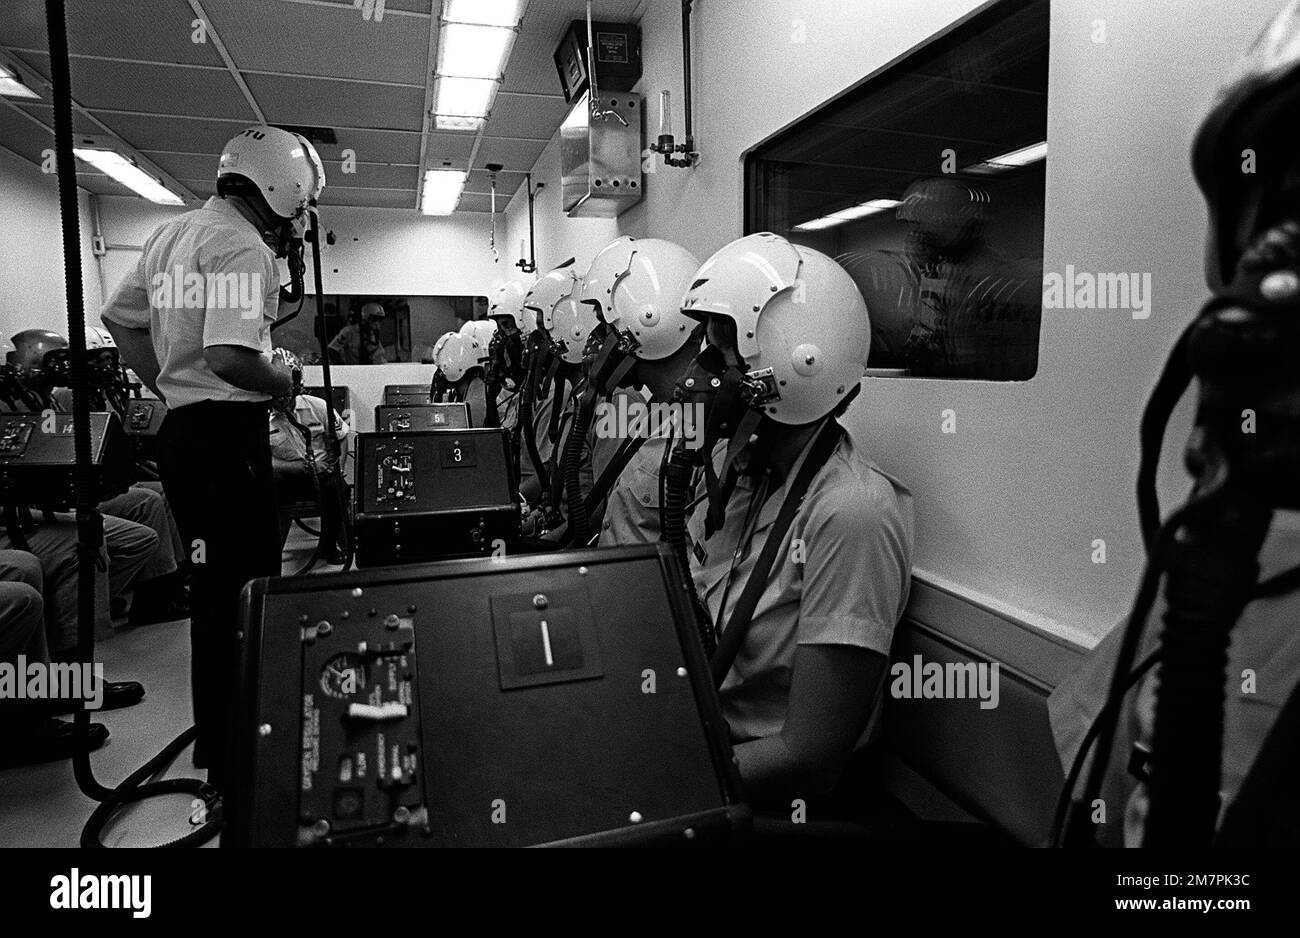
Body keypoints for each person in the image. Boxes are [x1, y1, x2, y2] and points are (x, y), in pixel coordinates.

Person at [101, 124, 325, 792]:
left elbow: (120, 319)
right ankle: (247, 757)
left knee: (213, 597)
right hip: (228, 440)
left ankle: (221, 747)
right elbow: (230, 356)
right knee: (249, 592)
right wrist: (284, 377)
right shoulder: (240, 245)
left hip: (185, 437)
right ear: (283, 187)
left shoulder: (174, 235)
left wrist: (171, 386)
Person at [674, 232, 914, 810]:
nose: (703, 373)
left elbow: (810, 757)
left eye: (726, 349)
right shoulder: (750, 476)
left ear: (796, 362)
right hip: (707, 744)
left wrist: (660, 785)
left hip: (776, 798)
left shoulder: (852, 512)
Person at [8, 328, 188, 624]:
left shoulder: (58, 399)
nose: (106, 366)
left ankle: (168, 583)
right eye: (98, 358)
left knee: (163, 494)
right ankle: (147, 597)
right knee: (149, 501)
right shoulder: (62, 397)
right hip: (56, 500)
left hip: (77, 488)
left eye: (109, 358)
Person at [573, 237, 701, 546]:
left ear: (648, 321)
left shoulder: (703, 433)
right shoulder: (653, 415)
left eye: (605, 327)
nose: (596, 342)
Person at [268, 349, 349, 564]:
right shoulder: (260, 418)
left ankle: (329, 545)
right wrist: (301, 467)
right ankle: (270, 557)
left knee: (338, 488)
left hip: (323, 474)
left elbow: (341, 435)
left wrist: (337, 467)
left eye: (287, 390)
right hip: (286, 477)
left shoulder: (317, 406)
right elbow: (262, 462)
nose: (282, 398)